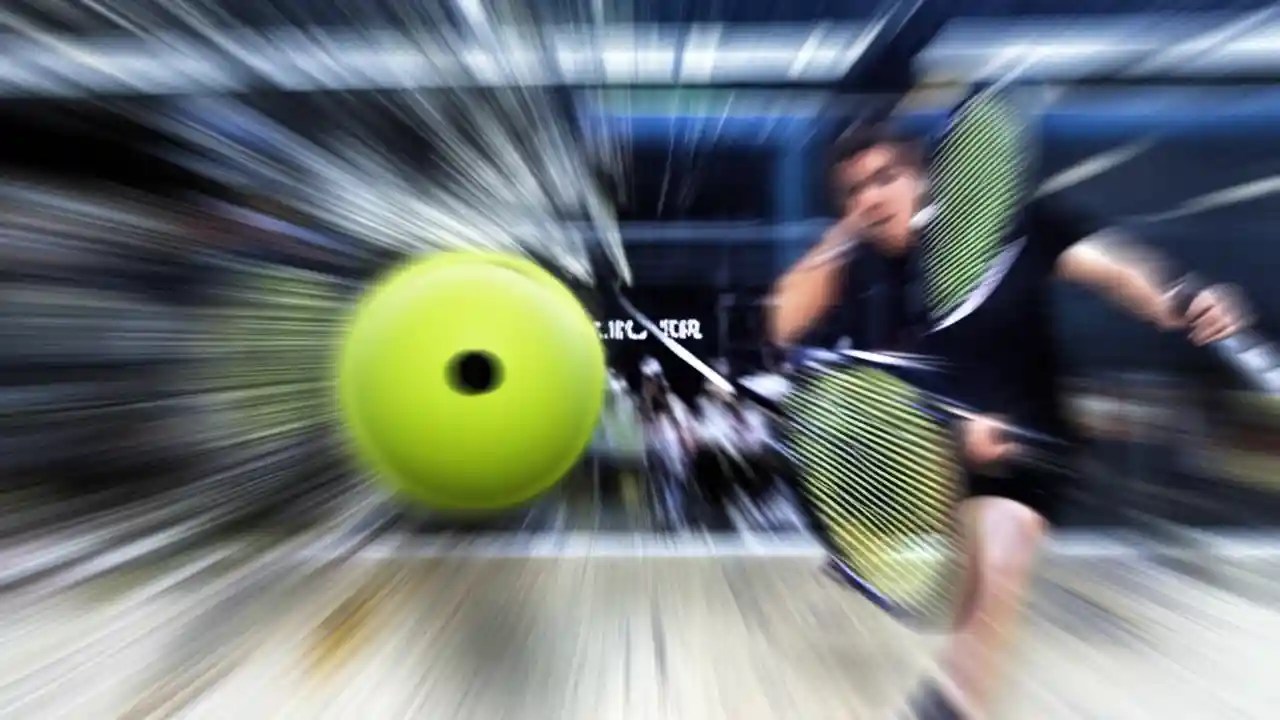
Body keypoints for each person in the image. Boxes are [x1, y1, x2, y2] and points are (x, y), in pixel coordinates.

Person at [766, 121, 1252, 719]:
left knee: (1000, 557)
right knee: (952, 562)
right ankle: (886, 551)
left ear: (928, 180)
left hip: (1027, 446)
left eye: (886, 177)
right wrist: (847, 231)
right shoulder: (867, 264)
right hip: (934, 453)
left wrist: (1182, 299)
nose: (870, 197)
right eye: (853, 190)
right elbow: (784, 323)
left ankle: (948, 707)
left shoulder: (1016, 227)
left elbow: (1115, 270)